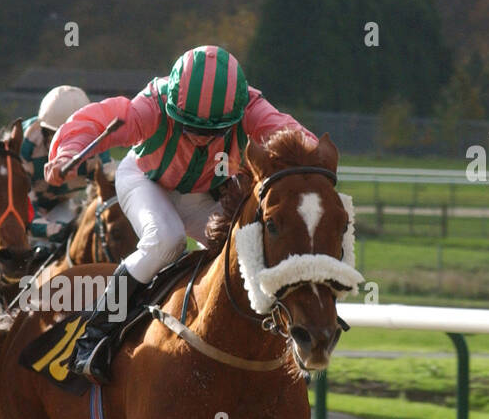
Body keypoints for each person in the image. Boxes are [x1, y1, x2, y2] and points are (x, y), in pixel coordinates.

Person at [44, 45, 317, 383]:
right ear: (173, 106)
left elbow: (294, 136)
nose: (202, 139)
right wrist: (66, 152)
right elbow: (98, 119)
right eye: (191, 127)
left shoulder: (251, 107)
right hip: (147, 181)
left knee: (249, 253)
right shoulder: (150, 107)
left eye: (213, 130)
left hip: (203, 196)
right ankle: (93, 336)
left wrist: (316, 159)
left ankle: (275, 343)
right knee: (166, 240)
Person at [18, 85, 111, 249]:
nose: (71, 147)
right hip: (24, 205)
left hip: (61, 204)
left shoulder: (97, 147)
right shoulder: (25, 145)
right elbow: (21, 208)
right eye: (62, 138)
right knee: (37, 246)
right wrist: (54, 230)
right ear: (45, 132)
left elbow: (106, 200)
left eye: (78, 137)